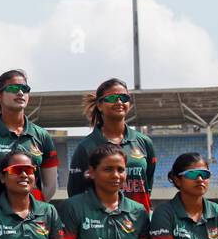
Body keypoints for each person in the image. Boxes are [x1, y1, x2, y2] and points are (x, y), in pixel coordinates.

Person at [0, 68, 60, 202]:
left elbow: (50, 186)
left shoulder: (42, 136)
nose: (20, 92)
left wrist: (32, 210)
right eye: (13, 88)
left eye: (24, 89)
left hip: (30, 220)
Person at [66, 78, 157, 210]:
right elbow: (75, 193)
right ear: (99, 105)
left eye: (124, 98)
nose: (119, 102)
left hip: (138, 223)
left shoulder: (144, 142)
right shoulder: (86, 147)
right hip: (101, 225)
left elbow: (147, 187)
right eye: (112, 98)